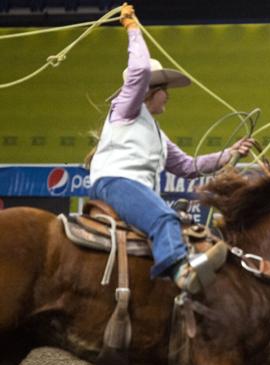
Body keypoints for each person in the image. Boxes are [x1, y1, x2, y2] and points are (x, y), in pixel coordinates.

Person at [87, 3, 255, 294]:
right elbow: (139, 68)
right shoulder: (126, 109)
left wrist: (232, 153)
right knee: (165, 218)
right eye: (166, 90)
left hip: (131, 187)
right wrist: (131, 27)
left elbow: (189, 167)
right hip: (117, 183)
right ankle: (180, 272)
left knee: (173, 222)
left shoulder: (154, 131)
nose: (169, 97)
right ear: (152, 91)